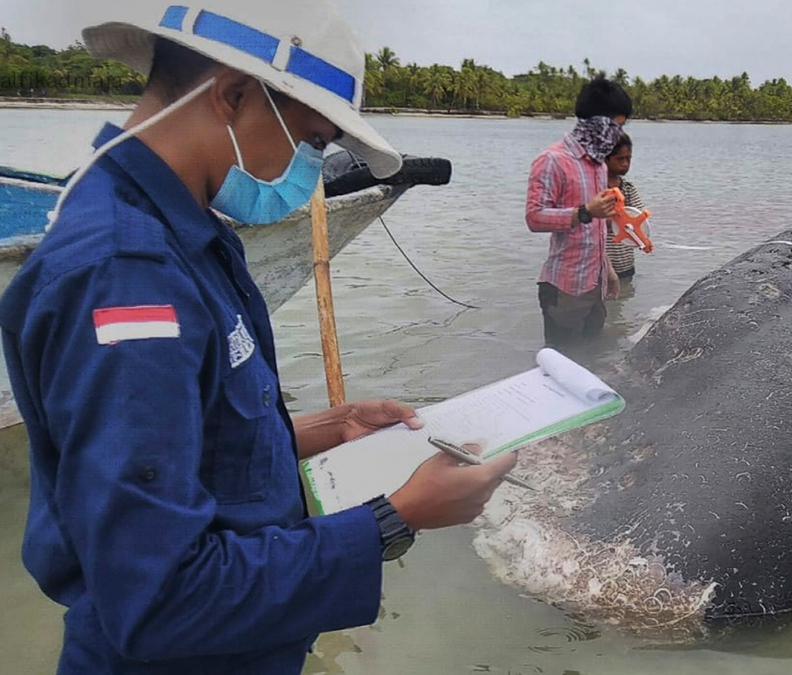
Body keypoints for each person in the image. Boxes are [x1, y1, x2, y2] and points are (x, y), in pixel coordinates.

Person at [0, 2, 516, 673]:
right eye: (312, 139)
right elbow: (158, 596)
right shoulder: (128, 279)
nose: (309, 168)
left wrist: (324, 427)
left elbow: (180, 444)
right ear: (234, 95)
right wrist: (394, 518)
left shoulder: (182, 233)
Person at [526, 76, 632, 348]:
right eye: (616, 127)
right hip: (564, 290)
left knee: (592, 360)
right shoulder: (552, 161)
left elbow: (596, 229)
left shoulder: (597, 164)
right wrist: (585, 211)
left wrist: (607, 270)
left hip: (594, 285)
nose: (618, 136)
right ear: (597, 124)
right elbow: (534, 217)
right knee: (561, 367)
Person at [603, 133, 647, 280]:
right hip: (600, 267)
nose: (625, 163)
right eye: (620, 159)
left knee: (623, 300)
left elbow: (640, 219)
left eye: (628, 159)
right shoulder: (596, 190)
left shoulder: (628, 188)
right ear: (604, 159)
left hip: (626, 265)